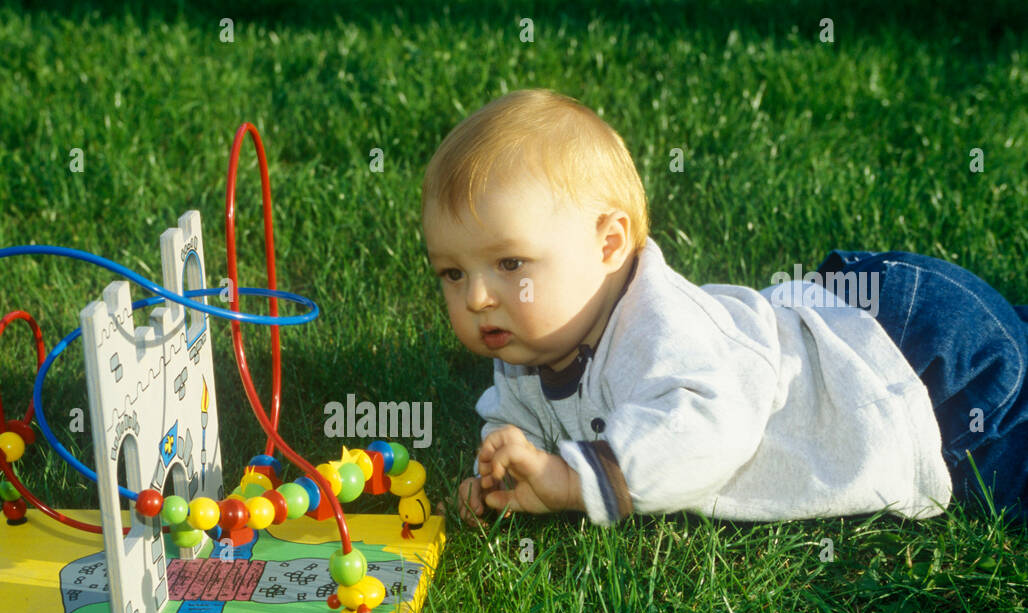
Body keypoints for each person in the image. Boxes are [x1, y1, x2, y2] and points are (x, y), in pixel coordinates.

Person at [423, 89, 1028, 528]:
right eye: (453, 273)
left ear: (608, 245)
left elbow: (706, 429)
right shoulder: (527, 352)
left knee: (1002, 480)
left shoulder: (658, 326)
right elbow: (522, 422)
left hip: (908, 359)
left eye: (509, 265)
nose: (476, 298)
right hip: (847, 317)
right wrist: (509, 469)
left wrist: (576, 481)